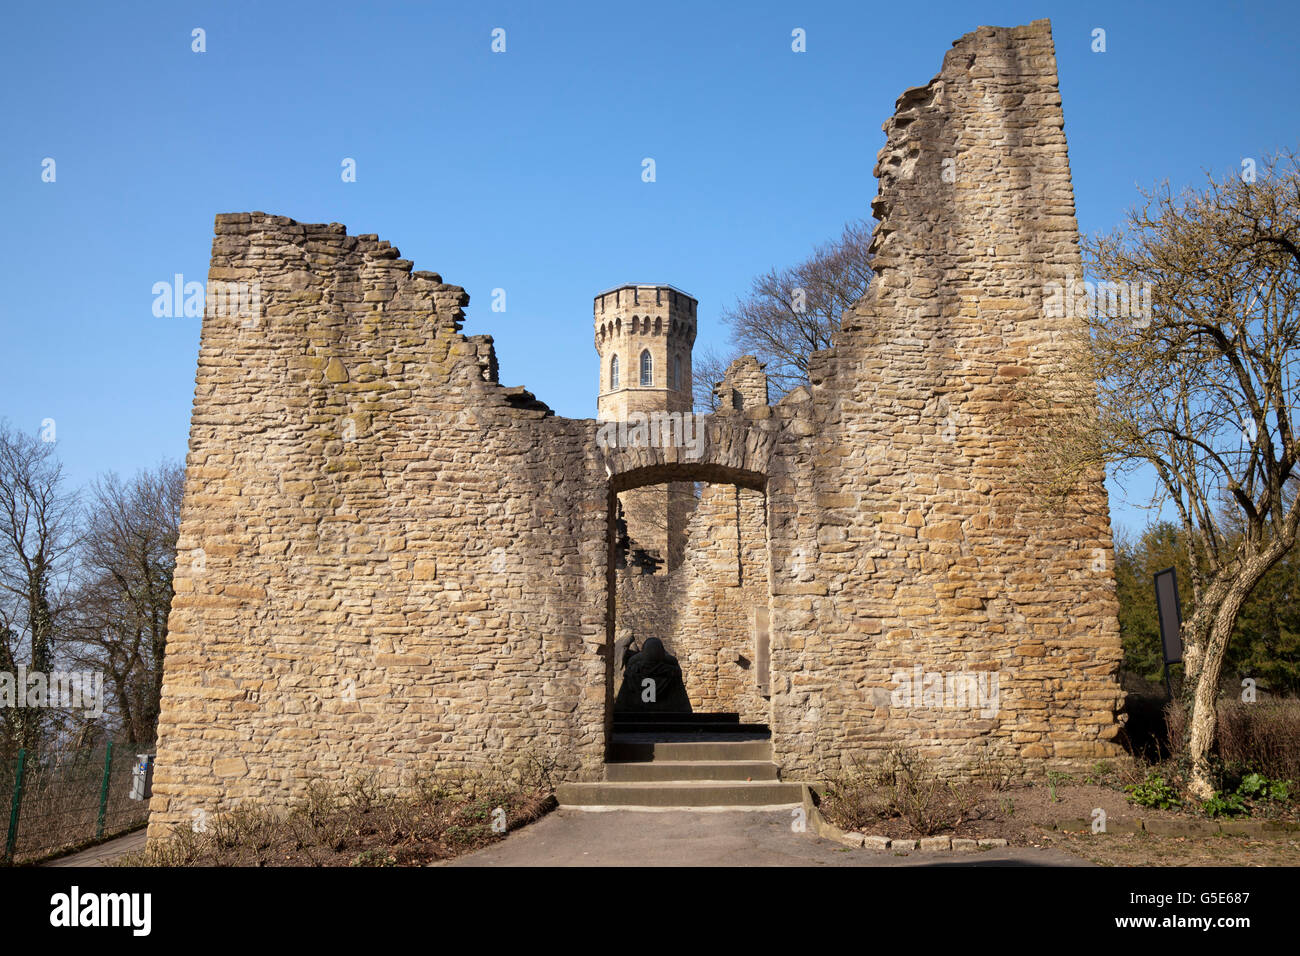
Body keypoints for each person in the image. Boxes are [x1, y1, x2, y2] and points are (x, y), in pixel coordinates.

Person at [614, 637, 692, 713]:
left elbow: (621, 705)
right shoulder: (672, 672)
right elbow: (684, 707)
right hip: (666, 719)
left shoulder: (632, 672)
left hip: (635, 719)